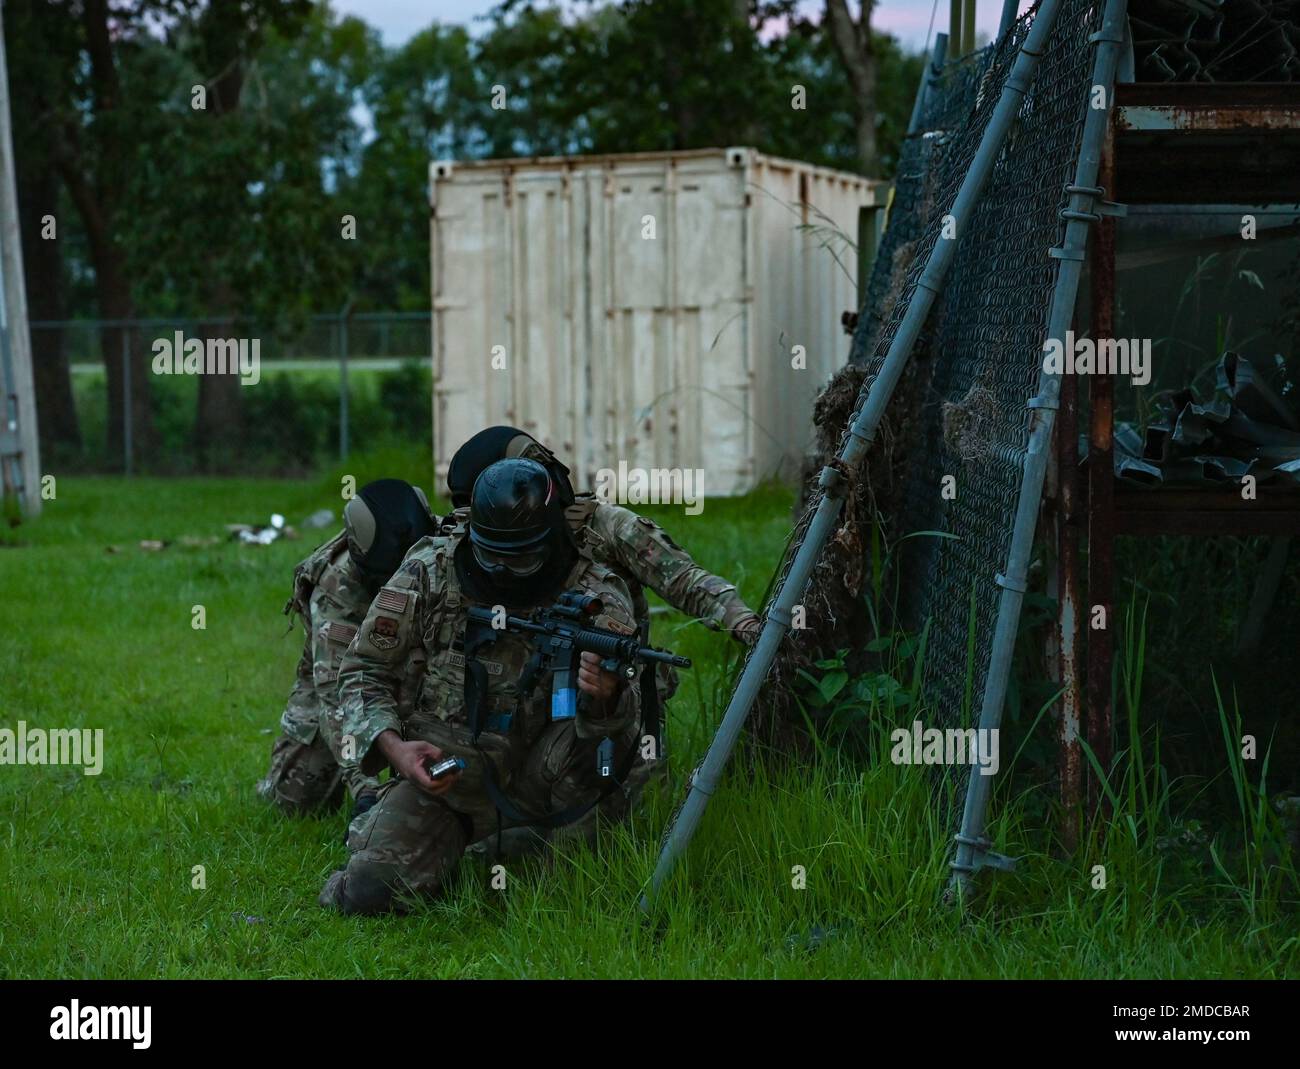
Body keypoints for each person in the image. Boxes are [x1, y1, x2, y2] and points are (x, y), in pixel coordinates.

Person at [320, 458, 650, 914]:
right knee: (368, 892)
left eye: (519, 562)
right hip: (448, 778)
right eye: (490, 557)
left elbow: (618, 741)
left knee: (571, 899)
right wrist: (395, 748)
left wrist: (607, 696)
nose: (500, 573)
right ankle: (484, 846)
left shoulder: (598, 597)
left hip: (546, 781)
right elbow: (362, 670)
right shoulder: (430, 570)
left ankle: (549, 851)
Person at [257, 479, 438, 819]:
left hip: (425, 672)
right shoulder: (337, 587)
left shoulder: (442, 550)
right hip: (348, 681)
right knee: (296, 798)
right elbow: (337, 693)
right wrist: (366, 790)